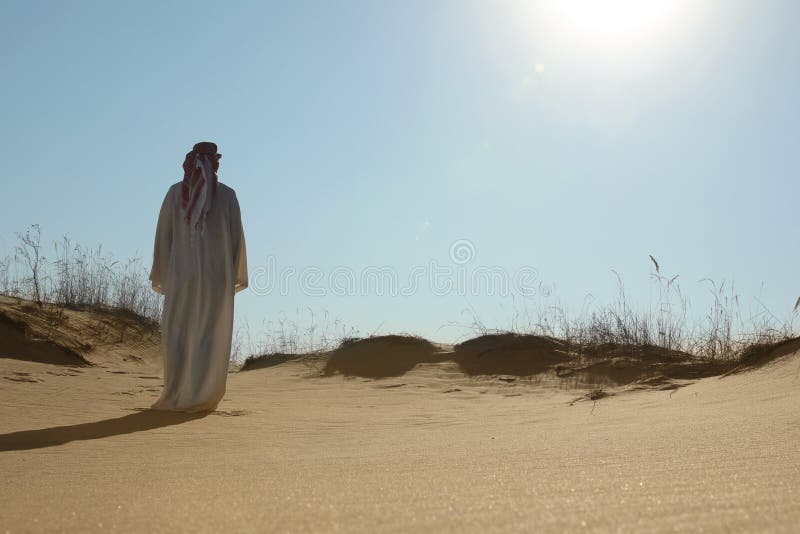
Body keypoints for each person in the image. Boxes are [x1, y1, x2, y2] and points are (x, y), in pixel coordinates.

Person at [148, 141, 248, 412]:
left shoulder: (175, 194)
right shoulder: (226, 195)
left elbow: (162, 240)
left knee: (180, 334)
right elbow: (237, 243)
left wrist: (163, 273)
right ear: (215, 163)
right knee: (206, 336)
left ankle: (180, 392)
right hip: (214, 278)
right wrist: (232, 277)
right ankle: (201, 395)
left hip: (183, 277)